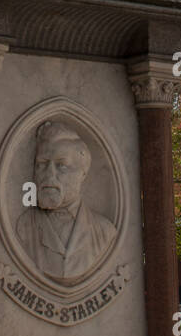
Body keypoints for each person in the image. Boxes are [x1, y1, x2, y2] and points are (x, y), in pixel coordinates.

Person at [16, 120, 115, 283]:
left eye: (61, 166)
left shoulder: (104, 232)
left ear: (82, 174)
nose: (49, 174)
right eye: (42, 164)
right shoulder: (24, 226)